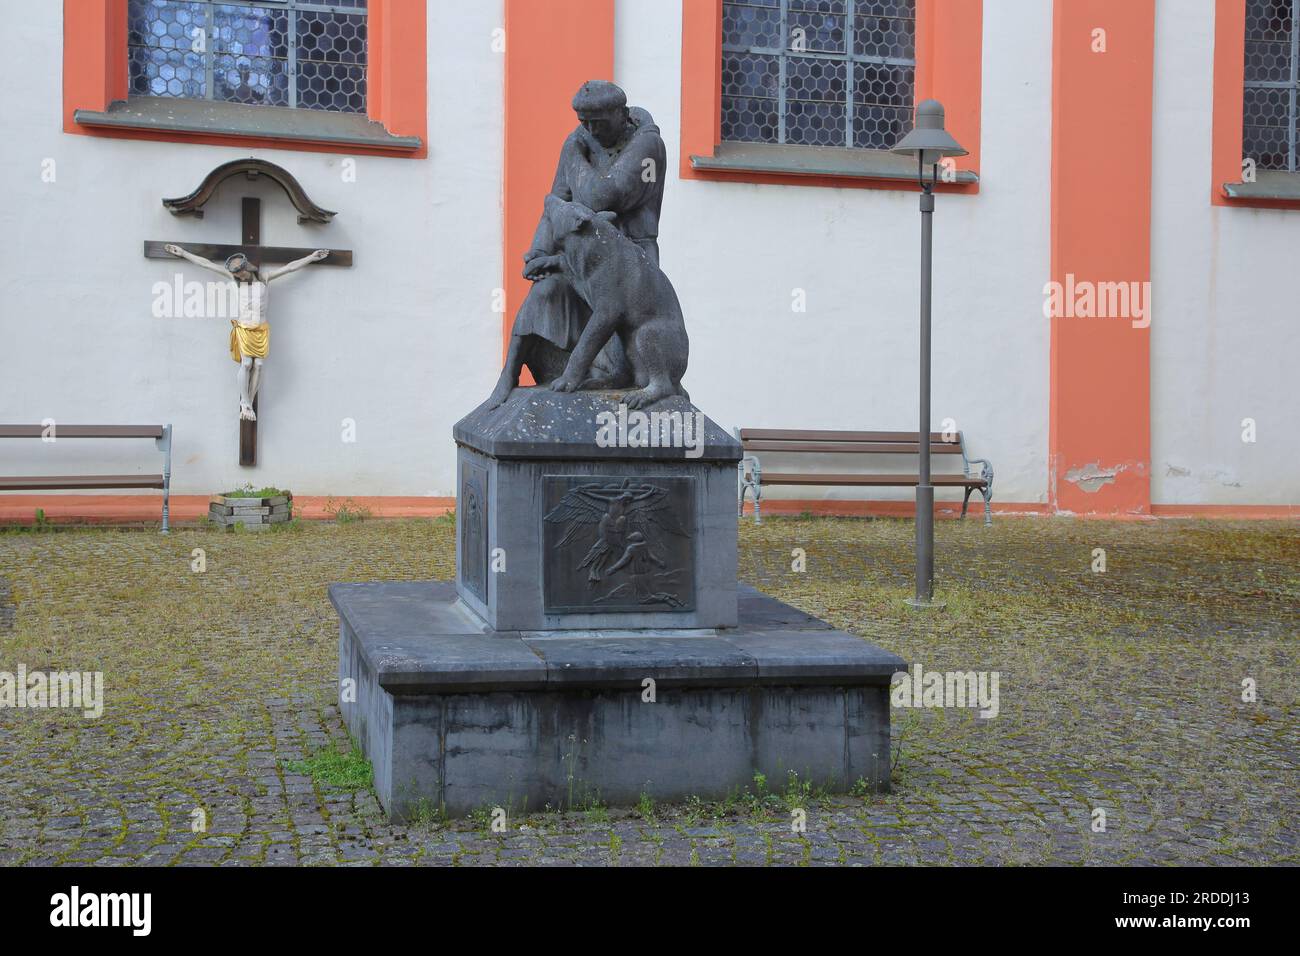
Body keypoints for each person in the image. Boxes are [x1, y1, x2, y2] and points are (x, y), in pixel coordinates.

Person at [487, 80, 667, 408]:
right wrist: (541, 251)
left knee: (618, 351)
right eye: (583, 122)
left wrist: (573, 155)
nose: (589, 129)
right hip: (580, 256)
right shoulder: (581, 141)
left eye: (597, 121)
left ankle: (598, 372)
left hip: (629, 262)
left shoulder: (647, 147)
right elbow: (556, 201)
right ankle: (509, 375)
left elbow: (604, 196)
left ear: (622, 114)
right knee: (544, 291)